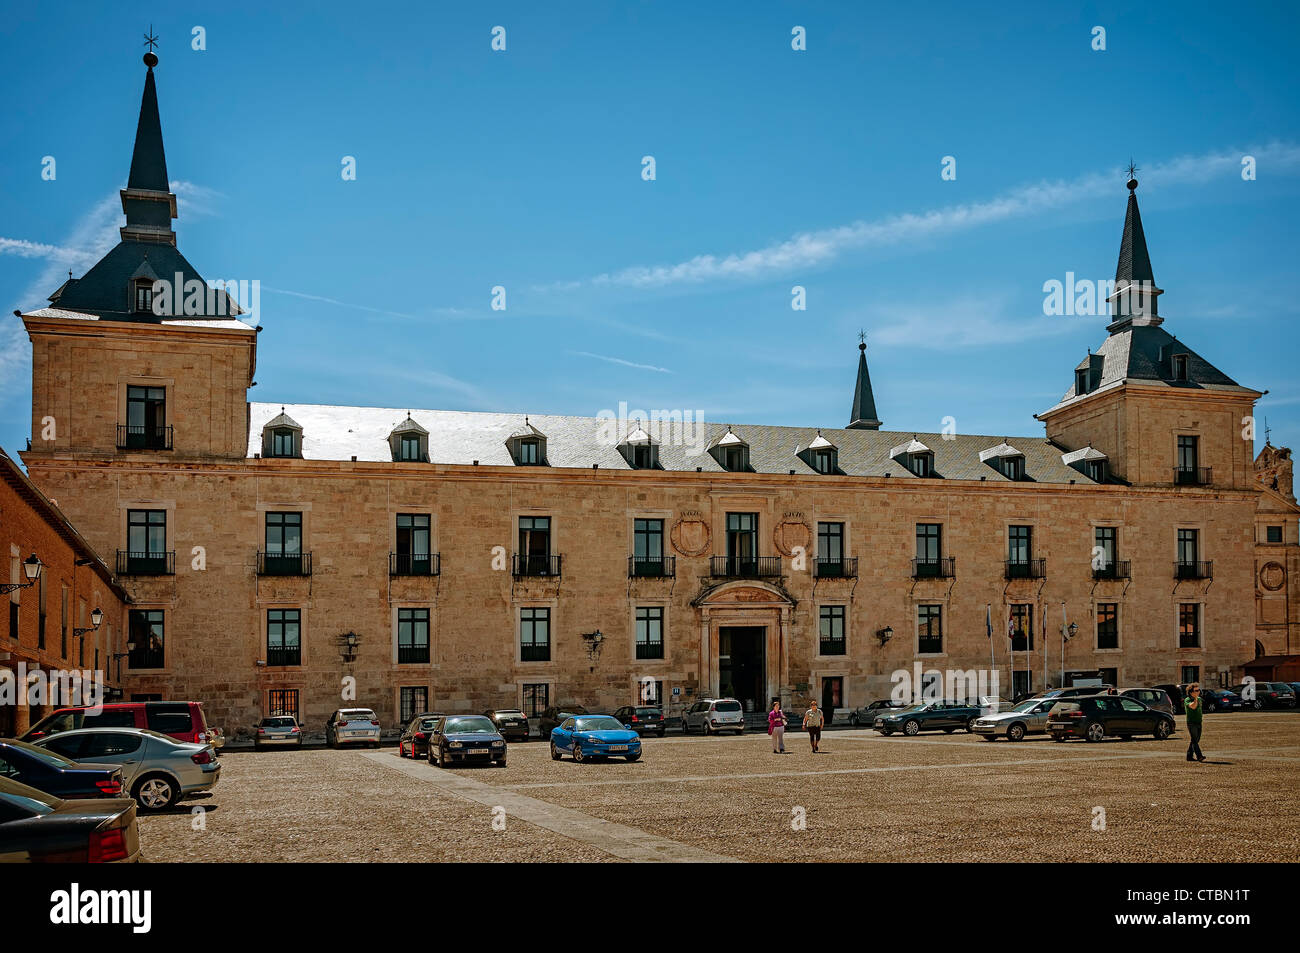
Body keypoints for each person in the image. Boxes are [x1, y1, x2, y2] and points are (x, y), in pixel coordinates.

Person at [1185, 682, 1206, 762]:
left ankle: (1189, 756)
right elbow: (1193, 707)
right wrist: (1196, 699)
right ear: (1191, 692)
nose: (1198, 692)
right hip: (1191, 723)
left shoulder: (1200, 699)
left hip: (1198, 722)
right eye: (1196, 691)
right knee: (1194, 739)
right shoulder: (1187, 700)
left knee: (1196, 740)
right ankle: (1199, 756)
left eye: (1198, 690)